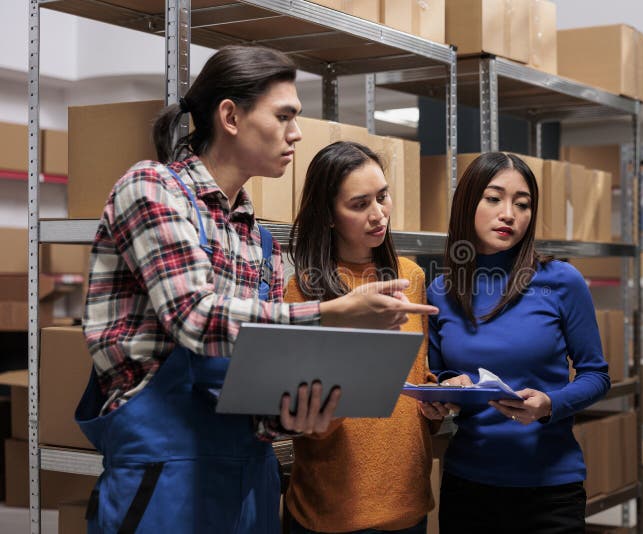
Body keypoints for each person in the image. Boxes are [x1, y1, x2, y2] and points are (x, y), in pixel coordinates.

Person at [75, 46, 437, 534]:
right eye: (284, 115)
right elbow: (194, 319)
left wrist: (295, 416)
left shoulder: (257, 238)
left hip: (249, 476)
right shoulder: (152, 189)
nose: (297, 133)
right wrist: (333, 313)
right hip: (164, 474)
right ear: (230, 115)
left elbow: (255, 376)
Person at [419, 152, 611, 534]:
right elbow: (438, 375)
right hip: (468, 487)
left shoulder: (561, 281)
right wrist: (443, 391)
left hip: (550, 489)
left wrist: (550, 404)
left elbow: (596, 375)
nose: (509, 213)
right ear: (467, 203)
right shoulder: (441, 291)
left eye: (522, 204)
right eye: (494, 198)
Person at [283, 141, 436, 534]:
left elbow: (415, 376)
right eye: (359, 204)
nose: (378, 214)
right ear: (329, 215)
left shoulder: (411, 276)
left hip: (407, 501)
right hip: (332, 509)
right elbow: (306, 415)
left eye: (382, 197)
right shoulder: (303, 292)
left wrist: (438, 397)